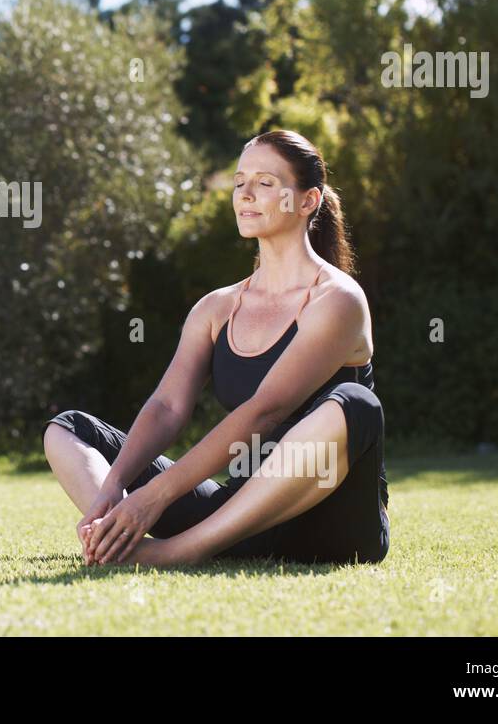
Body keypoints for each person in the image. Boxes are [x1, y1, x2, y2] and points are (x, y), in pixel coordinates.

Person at [42, 129, 389, 568]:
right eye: (239, 181)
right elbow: (168, 406)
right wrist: (115, 486)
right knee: (68, 428)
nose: (245, 194)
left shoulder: (337, 299)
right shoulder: (216, 308)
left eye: (265, 183)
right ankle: (115, 535)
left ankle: (174, 552)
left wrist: (154, 497)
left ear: (308, 201)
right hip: (237, 517)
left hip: (333, 527)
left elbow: (268, 409)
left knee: (357, 404)